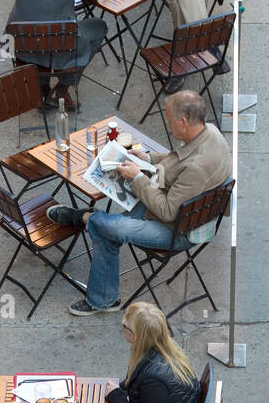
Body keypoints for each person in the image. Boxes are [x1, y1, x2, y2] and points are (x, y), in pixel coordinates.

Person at [48, 90, 232, 315]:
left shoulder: (197, 168)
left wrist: (137, 178)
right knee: (109, 228)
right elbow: (178, 159)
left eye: (169, 120)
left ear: (184, 122)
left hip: (179, 230)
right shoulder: (209, 131)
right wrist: (149, 158)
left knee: (104, 226)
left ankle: (85, 218)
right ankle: (103, 294)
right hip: (187, 208)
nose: (168, 124)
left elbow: (167, 212)